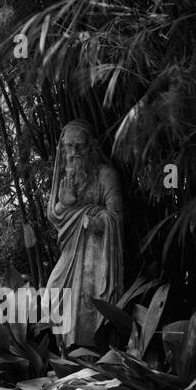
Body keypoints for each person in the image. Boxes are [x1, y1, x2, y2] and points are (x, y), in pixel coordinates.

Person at [45, 119, 124, 348]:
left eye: (79, 146)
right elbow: (55, 216)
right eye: (69, 147)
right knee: (54, 292)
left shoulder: (106, 176)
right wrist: (64, 203)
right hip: (71, 249)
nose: (74, 152)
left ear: (91, 147)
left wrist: (98, 221)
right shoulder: (66, 178)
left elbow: (117, 215)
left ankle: (92, 353)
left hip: (99, 252)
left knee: (90, 300)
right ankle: (66, 353)